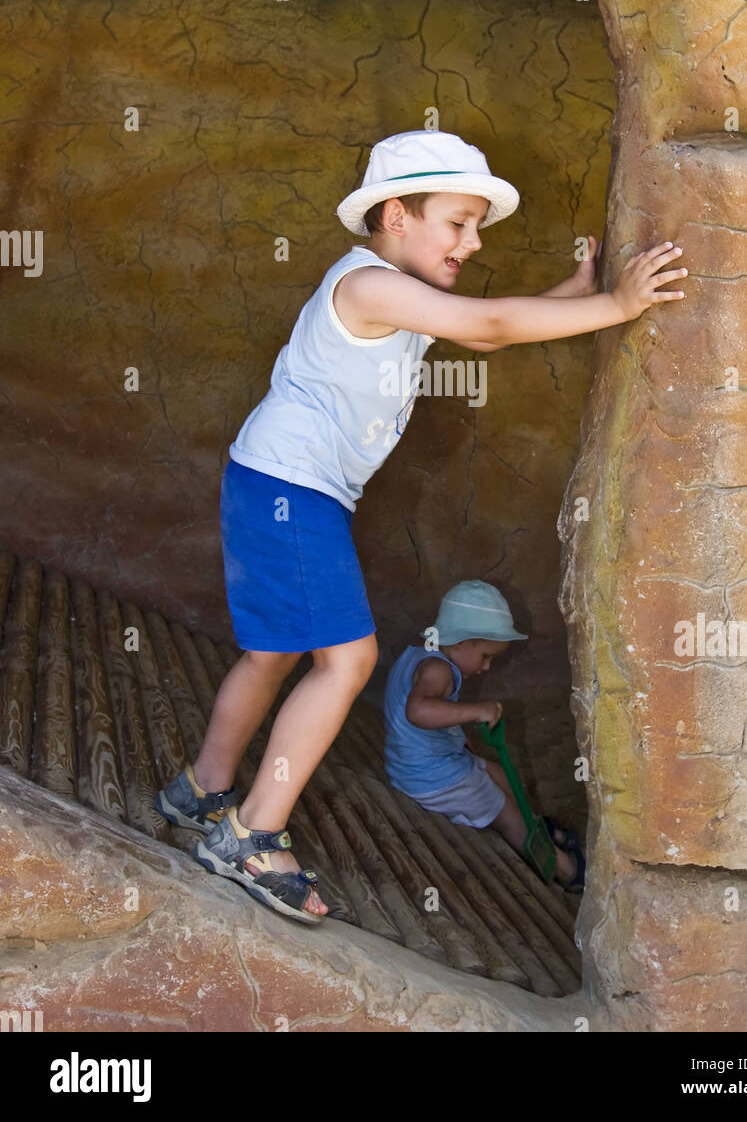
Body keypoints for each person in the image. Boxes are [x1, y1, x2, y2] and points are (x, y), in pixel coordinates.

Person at [154, 128, 687, 924]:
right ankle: (250, 834)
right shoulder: (368, 286)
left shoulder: (396, 293)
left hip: (275, 482)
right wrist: (617, 305)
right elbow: (486, 327)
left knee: (272, 655)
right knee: (348, 661)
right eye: (458, 222)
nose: (472, 242)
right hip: (289, 489)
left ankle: (200, 789)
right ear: (396, 215)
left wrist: (576, 291)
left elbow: (484, 318)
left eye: (477, 227)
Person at [384, 579, 586, 892]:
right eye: (487, 656)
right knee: (504, 812)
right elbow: (418, 712)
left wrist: (457, 737)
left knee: (498, 772)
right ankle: (566, 870)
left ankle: (539, 827)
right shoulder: (437, 670)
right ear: (461, 642)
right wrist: (478, 710)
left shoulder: (422, 655)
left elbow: (425, 715)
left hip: (422, 762)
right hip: (431, 777)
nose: (487, 667)